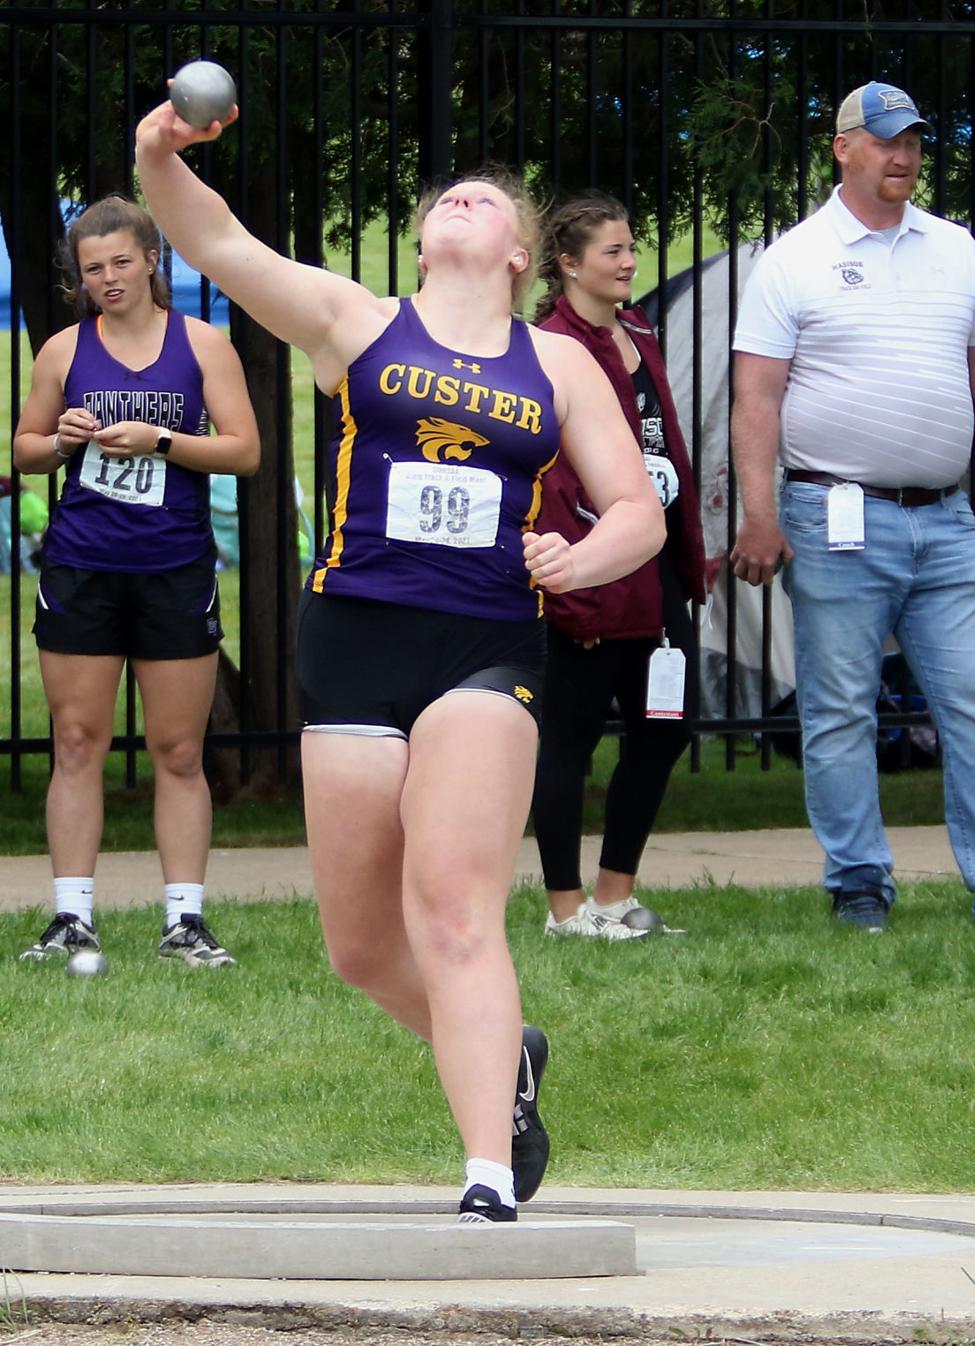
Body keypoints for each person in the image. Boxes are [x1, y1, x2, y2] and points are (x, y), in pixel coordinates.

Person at [134, 98, 664, 1222]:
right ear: (424, 242)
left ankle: (485, 1176)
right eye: (446, 199)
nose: (463, 199)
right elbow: (215, 239)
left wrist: (577, 559)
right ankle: (505, 1055)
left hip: (484, 645)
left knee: (456, 904)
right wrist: (154, 156)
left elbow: (638, 511)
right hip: (356, 637)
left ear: (520, 254)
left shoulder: (559, 365)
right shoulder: (355, 322)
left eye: (488, 198)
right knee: (363, 945)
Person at [729, 81, 975, 937]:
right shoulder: (794, 259)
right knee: (841, 706)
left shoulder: (954, 248)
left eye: (914, 140)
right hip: (832, 514)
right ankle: (858, 883)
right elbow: (755, 397)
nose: (903, 155)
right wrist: (759, 515)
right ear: (841, 148)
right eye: (885, 140)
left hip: (950, 521)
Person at [13, 194, 260, 967]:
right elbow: (23, 448)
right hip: (83, 565)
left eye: (122, 262)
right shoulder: (62, 351)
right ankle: (70, 918)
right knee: (77, 742)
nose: (109, 279)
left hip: (172, 567)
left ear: (153, 259)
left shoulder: (200, 344)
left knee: (178, 750)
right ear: (77, 278)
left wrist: (159, 437)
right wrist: (60, 440)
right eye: (92, 269)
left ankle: (184, 922)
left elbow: (244, 450)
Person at [532, 195, 706, 940]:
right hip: (588, 570)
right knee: (568, 737)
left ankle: (615, 896)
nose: (629, 261)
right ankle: (565, 909)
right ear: (568, 263)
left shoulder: (638, 331)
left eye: (631, 247)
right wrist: (572, 575)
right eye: (612, 251)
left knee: (665, 725)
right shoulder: (549, 345)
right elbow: (552, 472)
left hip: (654, 563)